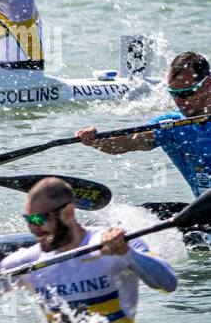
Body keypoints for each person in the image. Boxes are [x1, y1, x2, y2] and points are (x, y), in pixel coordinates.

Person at [0, 177, 177, 323]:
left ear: (68, 212)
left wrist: (128, 252)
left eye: (39, 219)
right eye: (28, 220)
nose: (33, 228)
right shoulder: (27, 261)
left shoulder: (113, 243)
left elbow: (168, 283)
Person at [78, 51, 211, 243]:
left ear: (208, 84)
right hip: (203, 215)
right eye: (174, 94)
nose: (180, 101)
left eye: (186, 93)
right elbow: (130, 140)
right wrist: (96, 139)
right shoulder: (172, 126)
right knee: (139, 215)